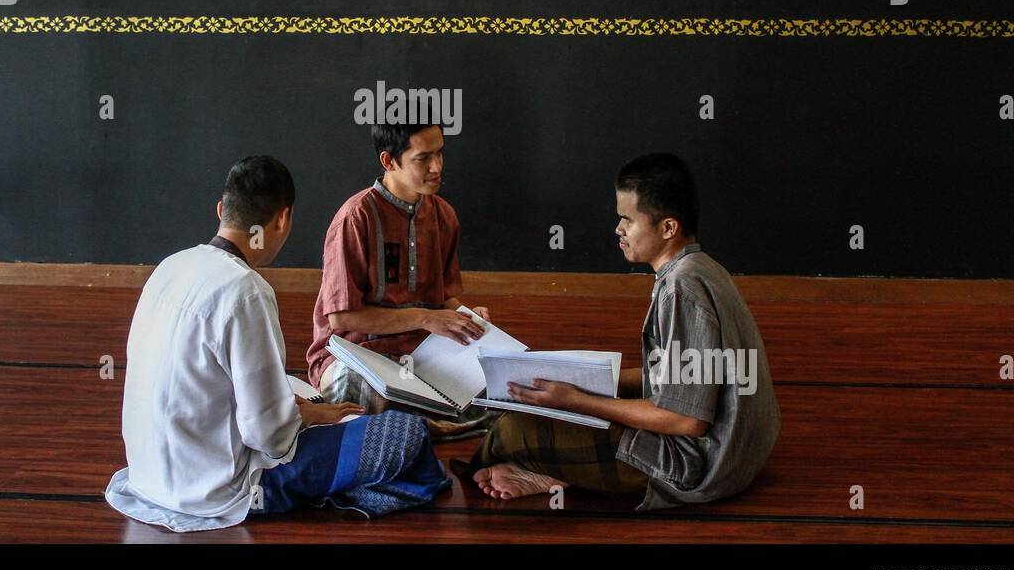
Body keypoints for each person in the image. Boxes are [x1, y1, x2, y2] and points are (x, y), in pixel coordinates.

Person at [104, 155, 451, 533]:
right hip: (220, 491)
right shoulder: (246, 291)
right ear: (283, 219)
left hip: (148, 474)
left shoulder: (171, 266)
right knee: (406, 432)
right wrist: (305, 417)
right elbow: (266, 435)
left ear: (222, 209)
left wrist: (288, 409)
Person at [462, 153, 781, 511]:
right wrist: (588, 381)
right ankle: (564, 470)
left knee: (512, 431)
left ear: (668, 228)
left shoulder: (682, 288)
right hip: (740, 457)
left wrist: (578, 400)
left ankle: (552, 472)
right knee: (539, 406)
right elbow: (677, 378)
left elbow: (687, 420)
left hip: (700, 466)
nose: (619, 229)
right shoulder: (703, 268)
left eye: (628, 220)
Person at [306, 124, 495, 434]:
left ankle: (412, 427)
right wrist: (425, 318)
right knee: (354, 391)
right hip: (358, 354)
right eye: (423, 158)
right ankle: (431, 424)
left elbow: (444, 298)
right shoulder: (356, 217)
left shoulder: (444, 216)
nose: (437, 167)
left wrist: (467, 317)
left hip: (422, 352)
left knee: (502, 384)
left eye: (440, 154)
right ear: (388, 161)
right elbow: (341, 318)